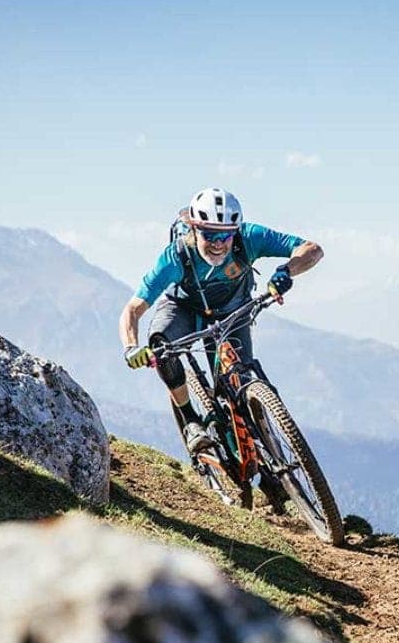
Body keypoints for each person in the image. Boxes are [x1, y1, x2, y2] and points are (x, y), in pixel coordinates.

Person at [118, 187, 323, 454]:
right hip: (184, 308)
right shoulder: (175, 256)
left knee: (240, 380)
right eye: (209, 234)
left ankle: (268, 460)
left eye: (225, 235)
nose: (218, 243)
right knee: (161, 346)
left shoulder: (250, 238)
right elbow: (132, 309)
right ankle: (190, 420)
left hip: (232, 311)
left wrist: (287, 271)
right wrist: (131, 347)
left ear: (235, 231)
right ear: (194, 229)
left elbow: (312, 249)